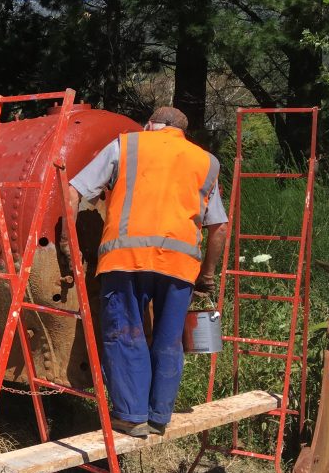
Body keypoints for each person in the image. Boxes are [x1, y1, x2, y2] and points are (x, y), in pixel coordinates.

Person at [67, 106, 229, 438]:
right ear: (182, 132)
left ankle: (130, 416)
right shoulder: (207, 162)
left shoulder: (126, 145)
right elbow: (220, 228)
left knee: (125, 335)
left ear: (151, 124)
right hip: (180, 267)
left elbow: (73, 192)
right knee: (169, 340)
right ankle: (158, 415)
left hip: (125, 259)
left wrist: (67, 245)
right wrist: (208, 276)